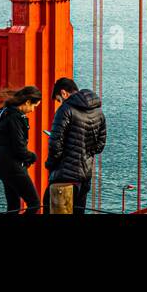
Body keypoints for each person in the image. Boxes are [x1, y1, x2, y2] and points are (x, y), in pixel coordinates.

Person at [44, 77, 106, 214]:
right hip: (85, 176)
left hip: (64, 176)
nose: (60, 103)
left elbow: (55, 144)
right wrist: (83, 151)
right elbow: (100, 145)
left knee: (48, 206)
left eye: (59, 99)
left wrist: (50, 164)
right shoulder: (98, 111)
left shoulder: (65, 110)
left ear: (64, 93)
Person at [0, 86, 42, 215]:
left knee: (13, 206)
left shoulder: (4, 112)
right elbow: (19, 149)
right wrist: (32, 157)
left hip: (2, 166)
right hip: (13, 167)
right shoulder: (16, 118)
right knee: (34, 204)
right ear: (27, 102)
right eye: (34, 106)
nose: (33, 110)